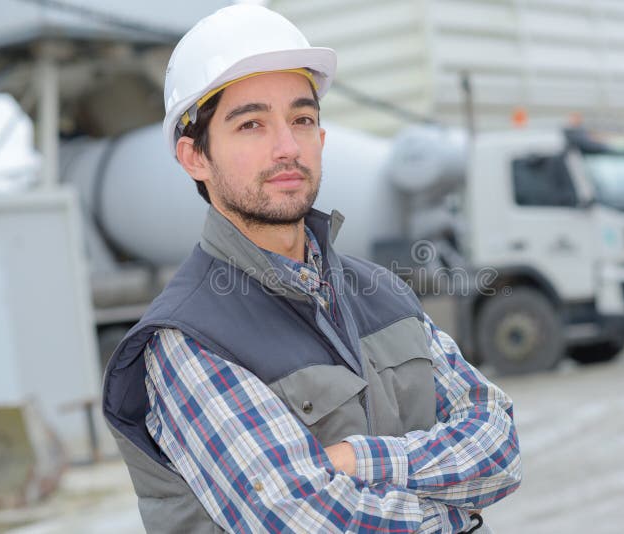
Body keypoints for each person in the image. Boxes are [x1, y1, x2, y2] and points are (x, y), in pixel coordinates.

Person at [102, 5, 521, 533]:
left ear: (322, 139)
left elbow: (499, 442)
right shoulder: (188, 340)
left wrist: (359, 459)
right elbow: (303, 521)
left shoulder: (383, 291)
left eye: (302, 119)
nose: (287, 147)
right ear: (194, 158)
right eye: (251, 124)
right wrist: (457, 517)